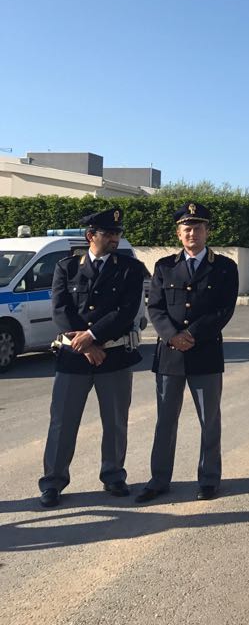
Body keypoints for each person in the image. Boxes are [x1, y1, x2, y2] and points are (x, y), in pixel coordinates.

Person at [39, 208, 146, 508]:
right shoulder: (67, 267)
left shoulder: (130, 269)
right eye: (109, 233)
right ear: (91, 236)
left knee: (115, 421)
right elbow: (61, 309)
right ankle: (53, 482)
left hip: (113, 356)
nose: (115, 238)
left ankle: (113, 476)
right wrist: (85, 345)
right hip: (74, 357)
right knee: (62, 422)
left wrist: (94, 337)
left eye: (117, 233)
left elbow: (125, 310)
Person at [136, 201, 239, 504]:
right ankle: (159, 479)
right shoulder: (164, 266)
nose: (192, 232)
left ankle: (209, 479)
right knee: (165, 421)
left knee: (210, 420)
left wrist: (191, 334)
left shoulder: (223, 268)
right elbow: (154, 307)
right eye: (186, 228)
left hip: (205, 352)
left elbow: (223, 310)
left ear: (207, 231)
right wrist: (172, 336)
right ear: (179, 234)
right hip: (170, 354)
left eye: (198, 227)